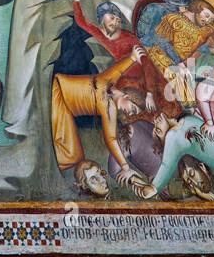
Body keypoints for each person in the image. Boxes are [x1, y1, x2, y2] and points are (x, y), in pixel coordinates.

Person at [49, 46, 146, 194]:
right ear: (127, 97)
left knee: (75, 156)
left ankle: (75, 183)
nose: (129, 114)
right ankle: (69, 184)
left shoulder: (110, 93)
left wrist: (132, 58)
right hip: (59, 93)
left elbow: (118, 70)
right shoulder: (109, 102)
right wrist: (125, 167)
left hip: (63, 96)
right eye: (132, 109)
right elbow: (111, 139)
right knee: (71, 155)